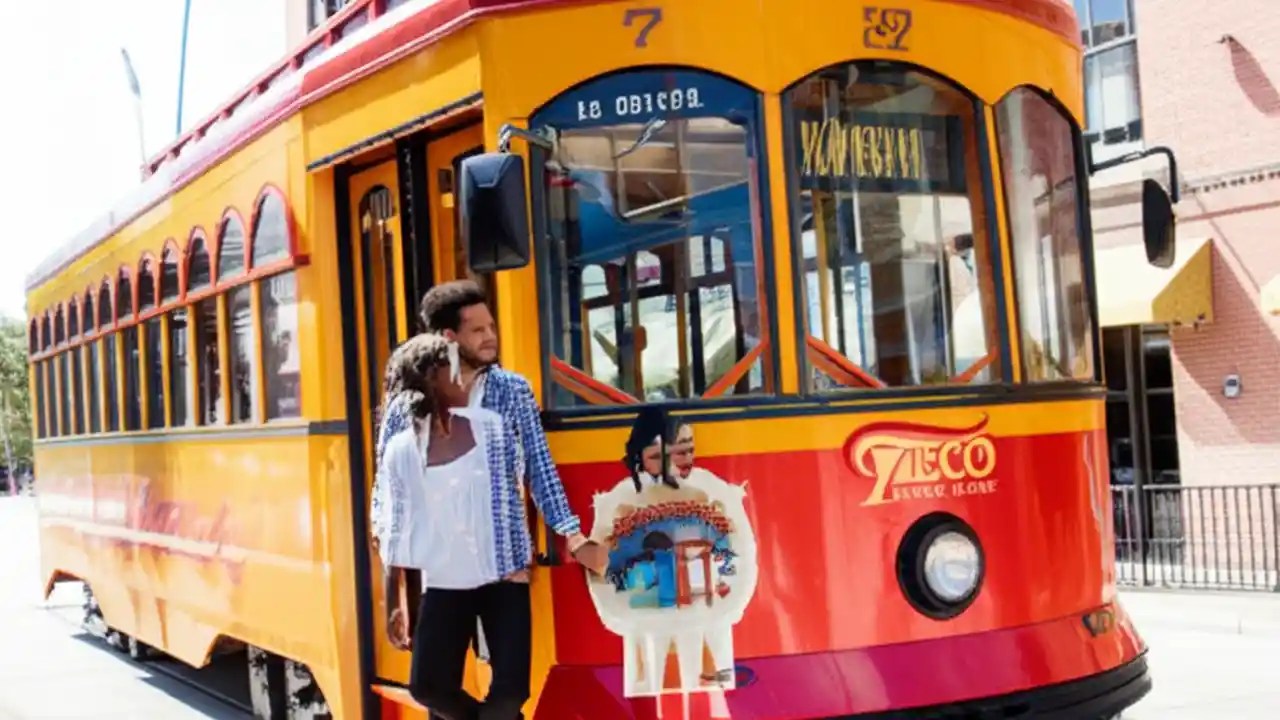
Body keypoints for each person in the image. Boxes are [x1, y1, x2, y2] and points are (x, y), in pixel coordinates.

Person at [371, 280, 607, 719]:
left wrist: (573, 536)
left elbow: (539, 466)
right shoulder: (407, 407)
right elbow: (389, 501)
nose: (490, 337)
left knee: (509, 696)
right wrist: (396, 592)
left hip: (506, 566)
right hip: (444, 569)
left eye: (491, 326)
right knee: (428, 687)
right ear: (448, 338)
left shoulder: (512, 390)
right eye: (477, 330)